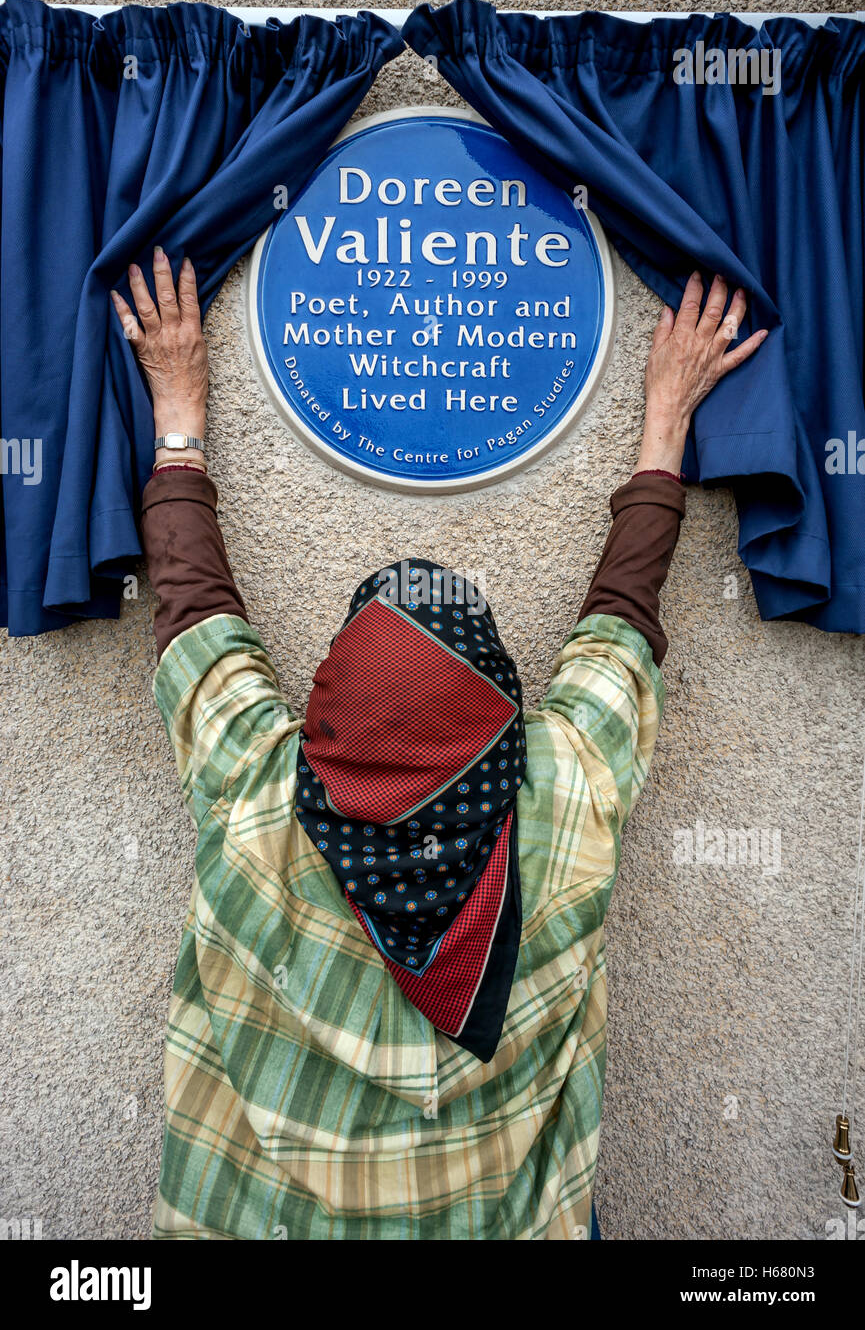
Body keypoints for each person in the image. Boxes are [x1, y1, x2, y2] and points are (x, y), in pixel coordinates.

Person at [111, 249, 766, 1241]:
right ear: (501, 713)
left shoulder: (248, 779)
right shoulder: (564, 790)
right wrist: (664, 418)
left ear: (325, 710)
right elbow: (623, 611)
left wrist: (178, 410)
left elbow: (190, 603)